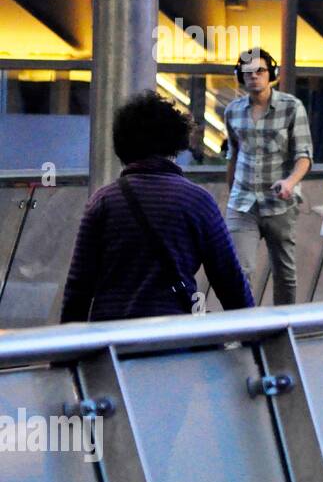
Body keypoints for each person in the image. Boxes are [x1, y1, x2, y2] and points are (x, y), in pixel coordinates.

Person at [62, 91, 253, 322]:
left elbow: (78, 286)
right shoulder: (197, 201)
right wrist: (253, 340)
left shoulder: (103, 201)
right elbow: (228, 277)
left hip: (111, 341)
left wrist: (67, 356)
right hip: (172, 338)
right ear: (175, 140)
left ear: (122, 143)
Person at [224, 48, 313, 305]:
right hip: (242, 203)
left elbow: (304, 155)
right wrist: (231, 195)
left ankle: (283, 325)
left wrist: (290, 182)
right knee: (239, 270)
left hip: (279, 204)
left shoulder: (291, 107)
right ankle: (242, 329)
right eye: (248, 72)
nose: (254, 76)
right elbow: (234, 154)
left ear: (271, 74)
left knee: (284, 273)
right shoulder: (233, 111)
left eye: (260, 70)